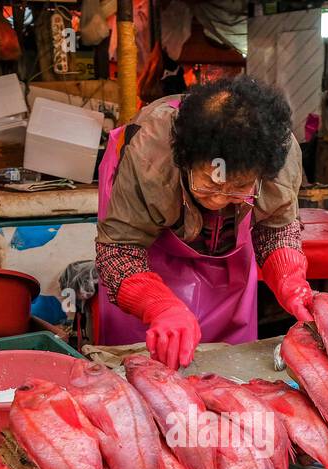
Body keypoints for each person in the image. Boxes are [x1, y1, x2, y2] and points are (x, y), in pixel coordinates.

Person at [94, 77, 312, 369]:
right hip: (149, 244)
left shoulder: (278, 155)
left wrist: (289, 278)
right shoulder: (150, 157)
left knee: (230, 367)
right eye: (210, 182)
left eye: (240, 185)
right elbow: (120, 250)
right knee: (145, 361)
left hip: (227, 256)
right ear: (185, 161)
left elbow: (275, 226)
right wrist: (160, 306)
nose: (221, 200)